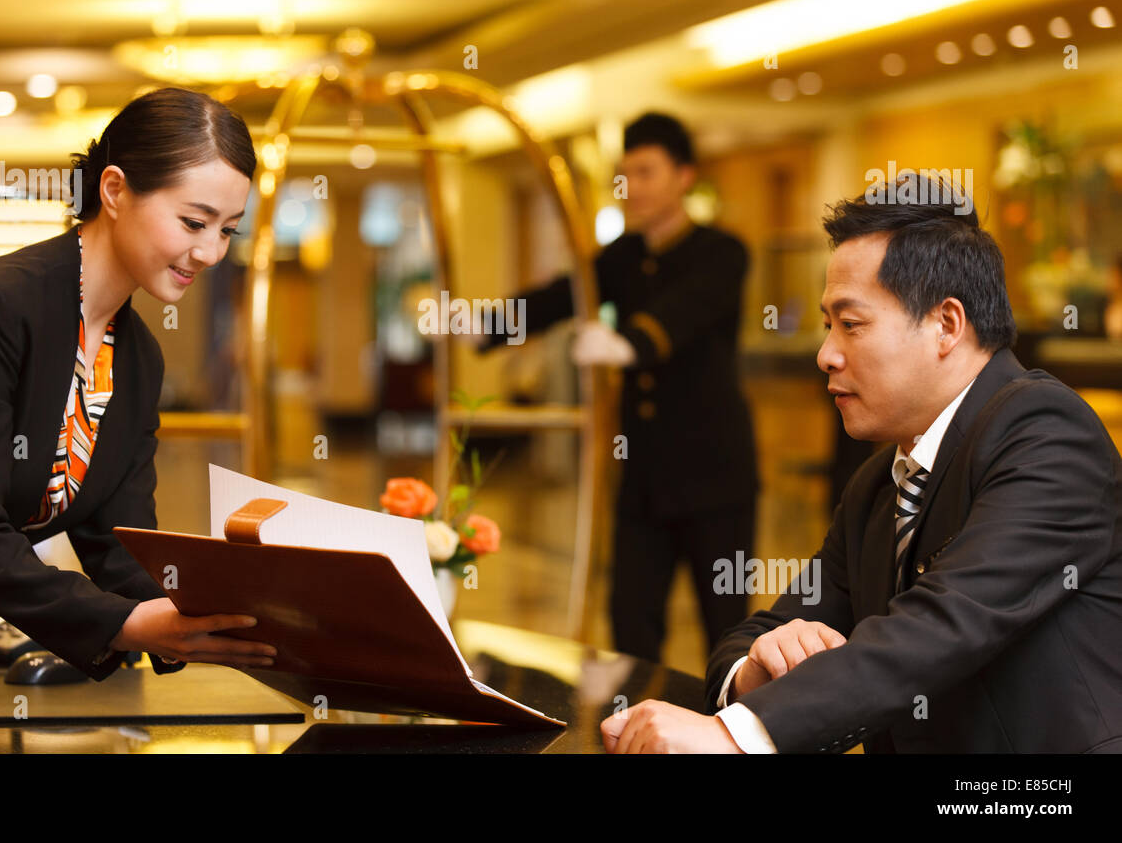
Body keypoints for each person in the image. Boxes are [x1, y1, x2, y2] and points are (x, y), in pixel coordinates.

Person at [601, 169, 1122, 753]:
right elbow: (758, 631)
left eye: (851, 325)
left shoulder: (1046, 434)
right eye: (828, 327)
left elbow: (942, 624)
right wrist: (755, 667)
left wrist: (734, 737)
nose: (826, 354)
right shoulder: (880, 483)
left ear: (945, 325)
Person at [0, 87, 278, 719]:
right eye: (193, 222)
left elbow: (119, 542)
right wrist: (127, 625)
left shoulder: (138, 359)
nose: (210, 252)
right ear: (114, 190)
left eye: (228, 230)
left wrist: (210, 620)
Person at [478, 112, 758, 662]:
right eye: (625, 173)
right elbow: (563, 296)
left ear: (684, 176)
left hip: (716, 478)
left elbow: (687, 310)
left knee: (725, 626)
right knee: (630, 622)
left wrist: (629, 343)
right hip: (644, 480)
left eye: (646, 171)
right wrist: (483, 324)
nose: (632, 186)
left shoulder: (723, 252)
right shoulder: (623, 257)